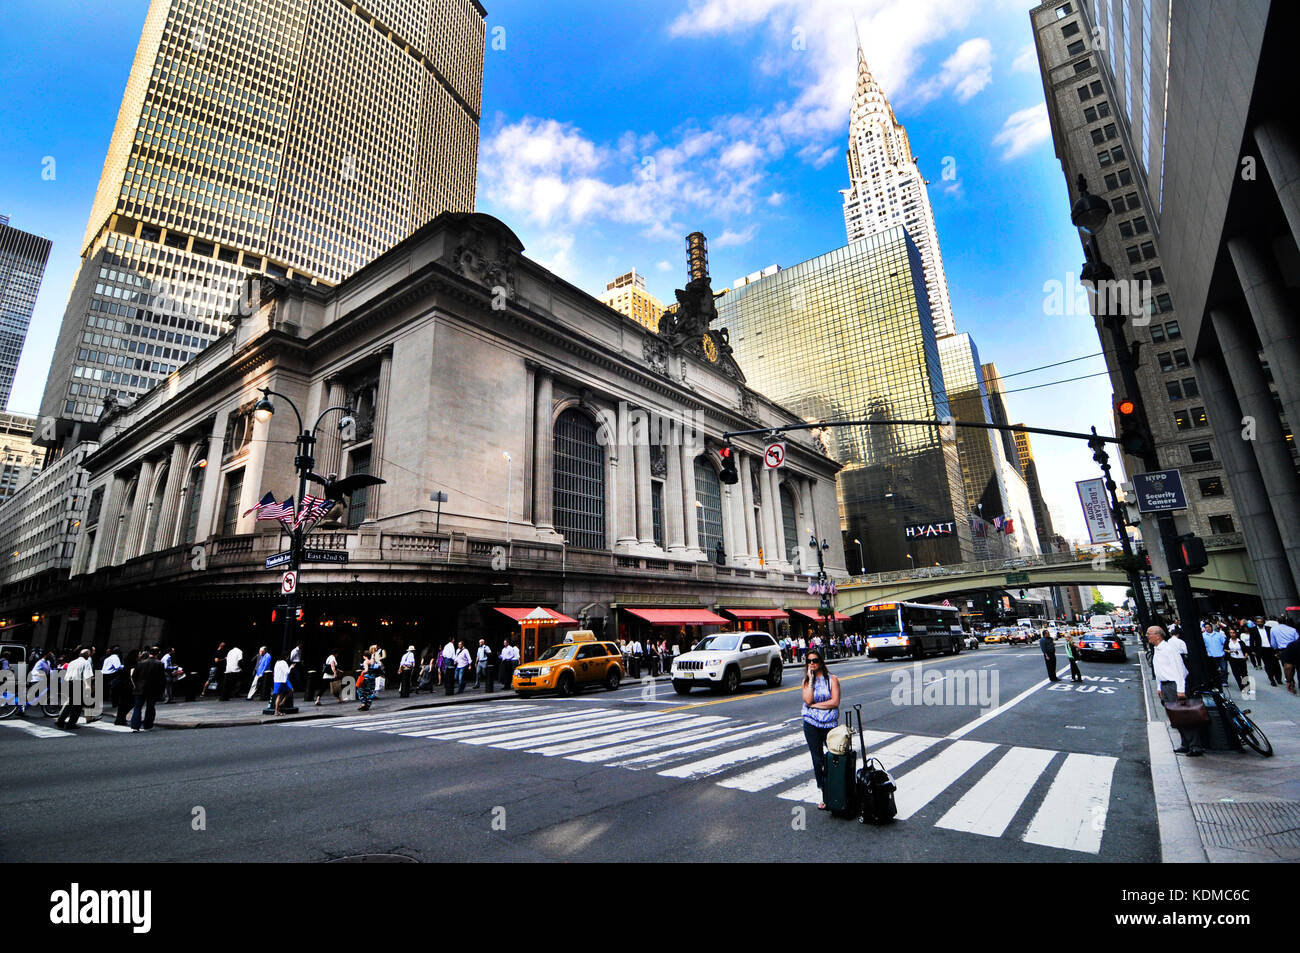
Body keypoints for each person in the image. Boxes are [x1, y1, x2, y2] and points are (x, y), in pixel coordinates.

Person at [1149, 625, 1202, 756]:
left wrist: (1180, 690)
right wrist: (1159, 687)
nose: (1147, 636)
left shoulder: (1169, 649)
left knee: (1184, 716)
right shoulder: (1157, 649)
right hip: (1166, 687)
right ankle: (1185, 743)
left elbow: (1179, 670)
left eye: (1149, 634)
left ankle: (1195, 746)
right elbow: (1160, 671)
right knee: (1175, 717)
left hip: (1174, 686)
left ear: (1158, 635)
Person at [800, 650, 841, 812]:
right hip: (811, 724)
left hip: (830, 724)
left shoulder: (833, 680)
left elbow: (835, 702)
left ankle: (839, 792)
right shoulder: (806, 681)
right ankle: (825, 795)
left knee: (835, 758)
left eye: (815, 660)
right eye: (809, 661)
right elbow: (808, 700)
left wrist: (816, 706)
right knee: (817, 760)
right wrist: (810, 681)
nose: (812, 663)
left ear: (821, 662)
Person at [55, 647, 95, 730]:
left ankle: (60, 720)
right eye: (89, 654)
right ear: (87, 655)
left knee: (70, 703)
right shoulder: (86, 662)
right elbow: (86, 676)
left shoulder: (72, 662)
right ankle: (71, 723)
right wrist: (89, 686)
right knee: (77, 705)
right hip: (77, 683)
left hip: (67, 683)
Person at [129, 649, 166, 731]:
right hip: (152, 689)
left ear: (149, 653)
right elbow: (162, 679)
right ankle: (148, 725)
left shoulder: (141, 663)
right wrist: (161, 690)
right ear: (158, 654)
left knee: (137, 707)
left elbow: (134, 676)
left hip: (140, 688)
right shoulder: (159, 664)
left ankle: (135, 725)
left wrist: (136, 685)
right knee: (150, 707)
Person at [1202, 623, 1227, 688]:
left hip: (1221, 654)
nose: (1208, 628)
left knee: (1224, 669)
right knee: (1214, 670)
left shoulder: (1219, 635)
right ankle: (1217, 681)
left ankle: (1224, 681)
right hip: (1211, 655)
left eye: (1209, 627)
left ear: (1211, 627)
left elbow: (1224, 643)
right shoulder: (1203, 636)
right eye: (1206, 627)